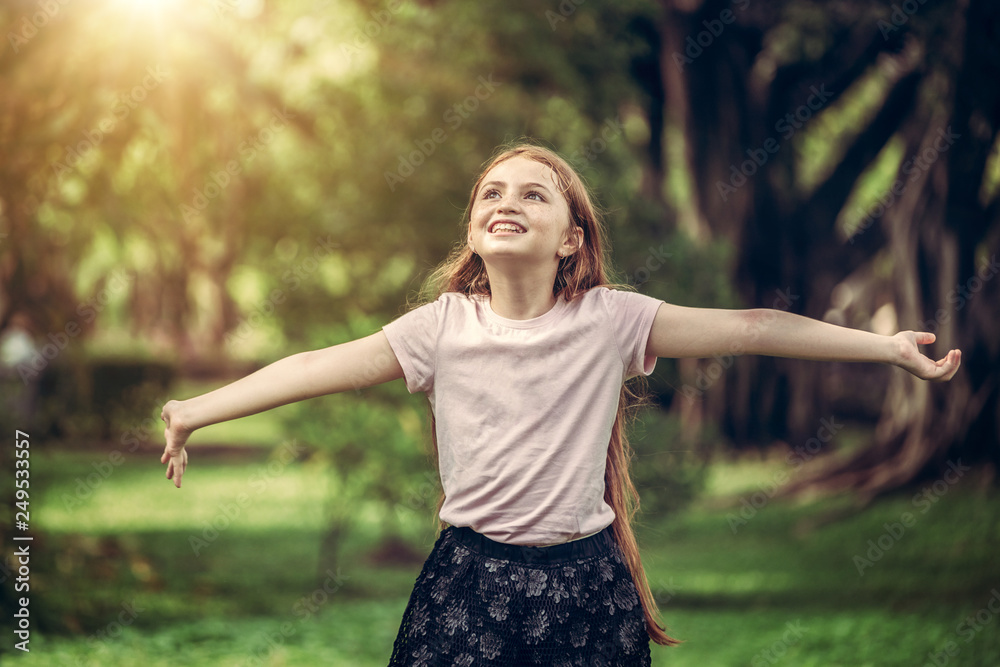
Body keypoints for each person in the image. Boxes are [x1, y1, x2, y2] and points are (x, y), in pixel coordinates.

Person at [159, 143, 961, 666]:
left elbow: (753, 326)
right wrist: (196, 408)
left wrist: (884, 348)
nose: (507, 202)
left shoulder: (610, 320)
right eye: (491, 193)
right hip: (465, 585)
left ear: (571, 237)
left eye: (534, 195)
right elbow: (310, 367)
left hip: (587, 592)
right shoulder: (439, 328)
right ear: (474, 230)